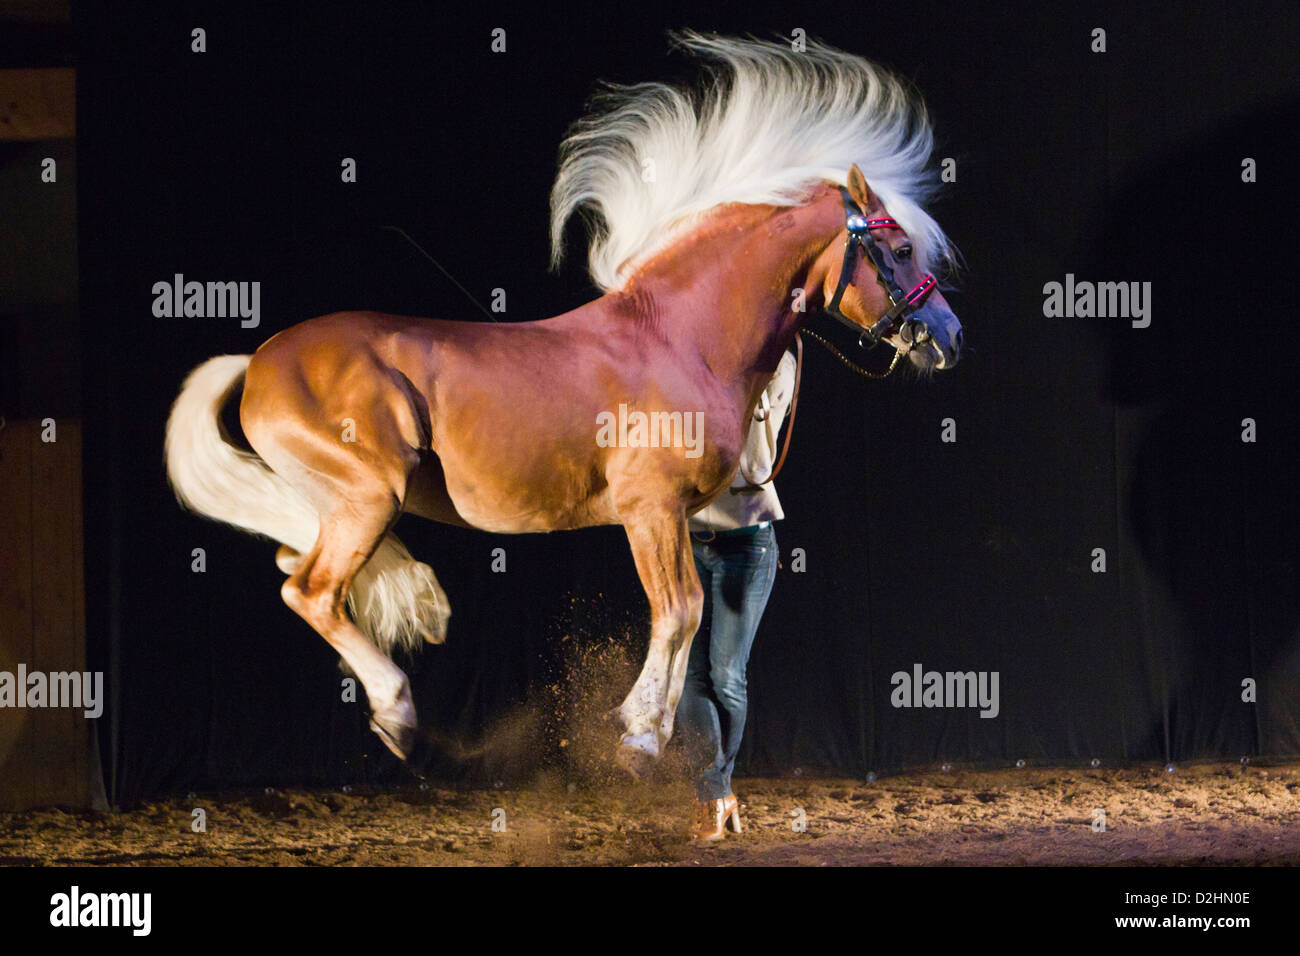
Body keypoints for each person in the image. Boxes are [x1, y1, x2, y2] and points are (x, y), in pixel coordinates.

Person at [676, 347, 798, 841]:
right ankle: (715, 794)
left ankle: (716, 793)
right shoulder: (694, 350)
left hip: (746, 540)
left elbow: (744, 430)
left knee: (726, 674)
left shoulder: (776, 362)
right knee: (687, 676)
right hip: (689, 537)